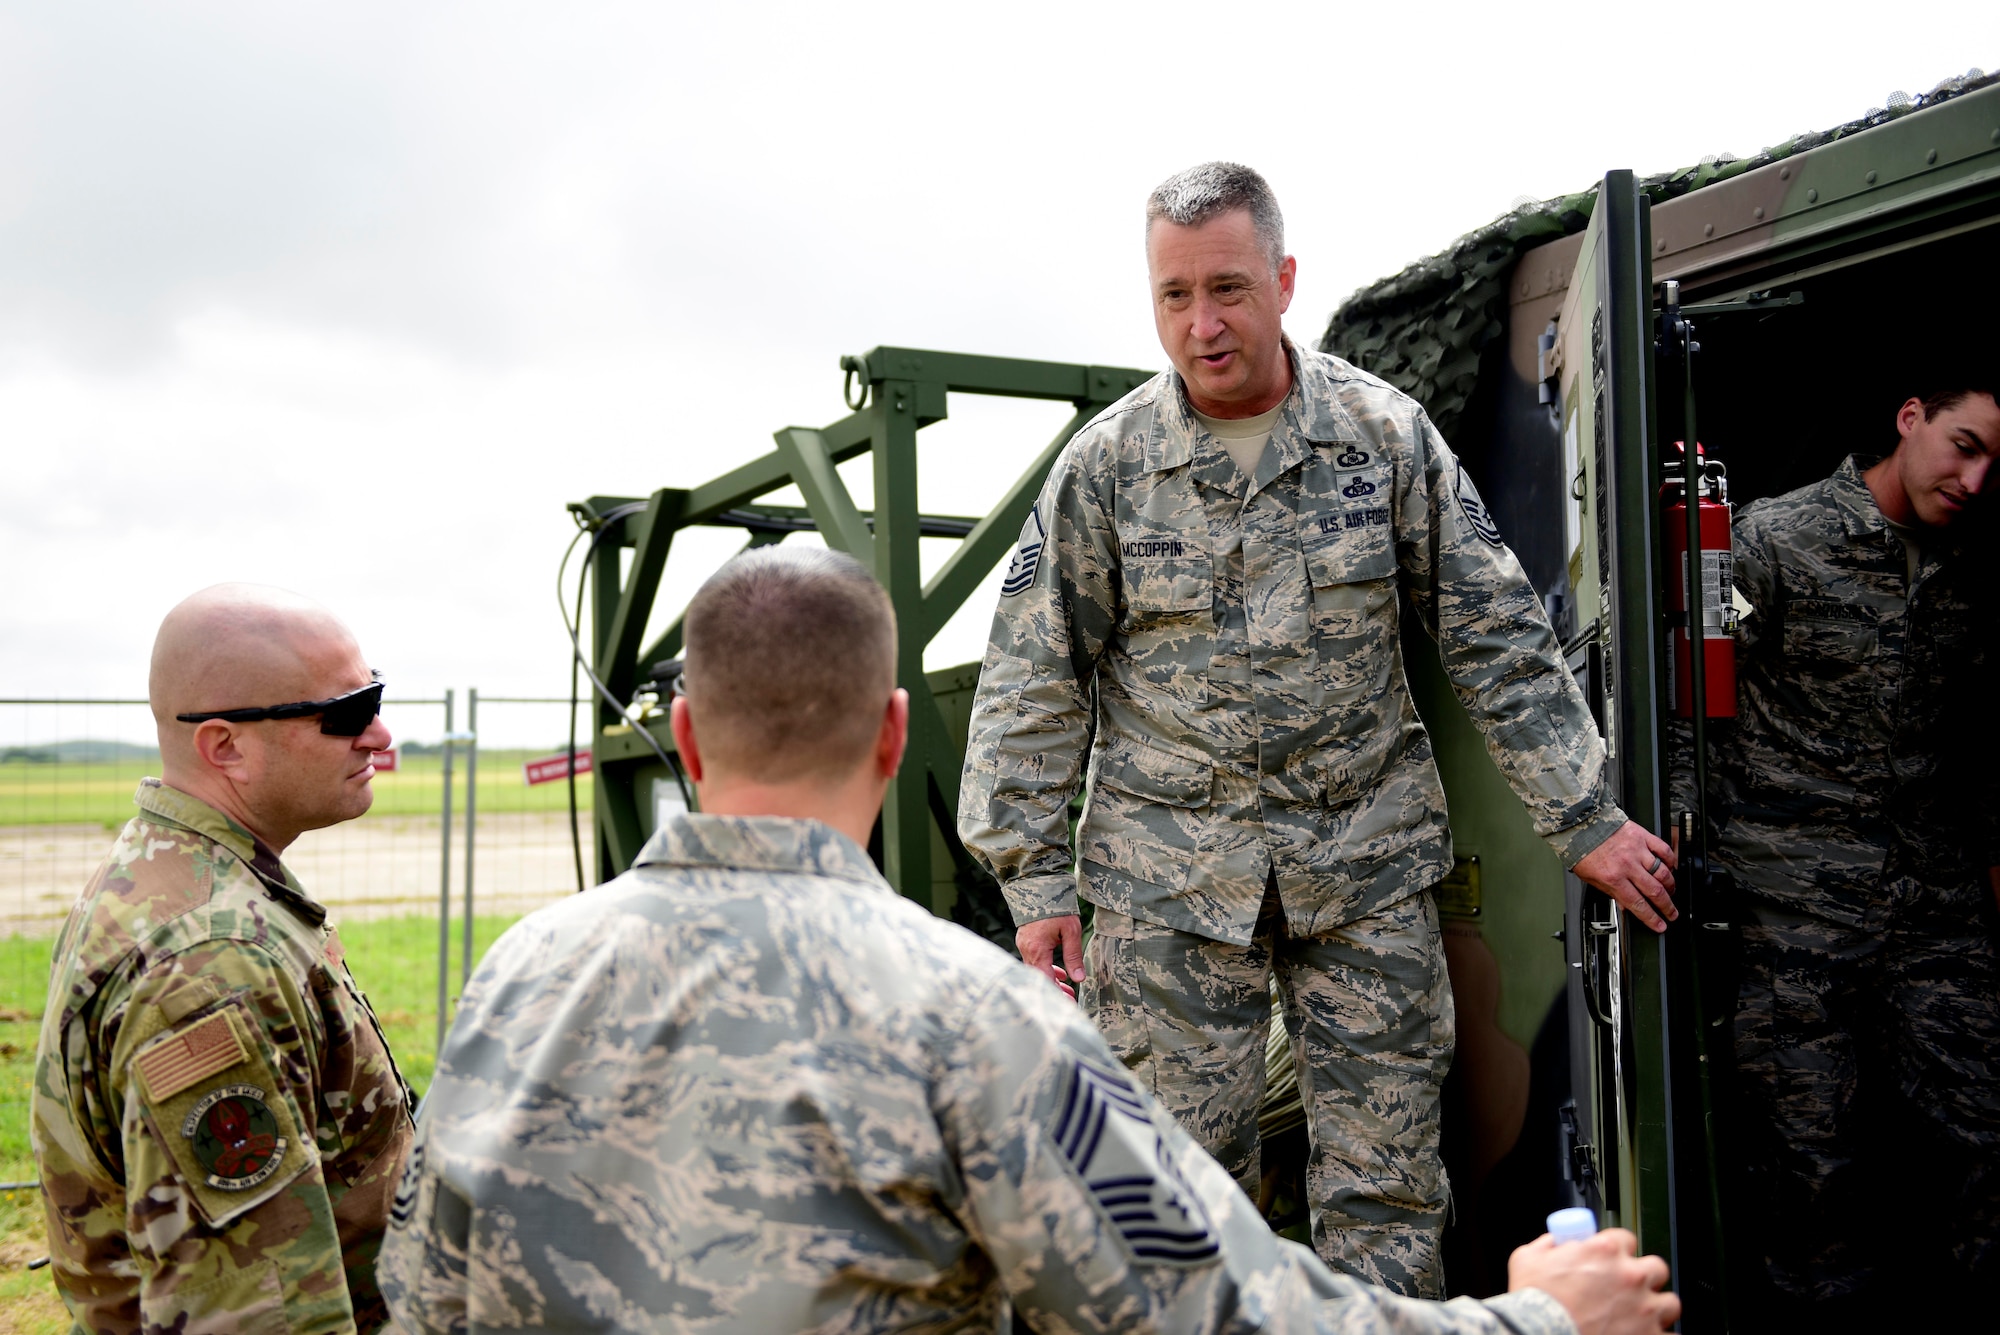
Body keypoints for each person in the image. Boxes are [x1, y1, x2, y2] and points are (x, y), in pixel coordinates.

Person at [378, 546, 1678, 1335]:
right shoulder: (972, 1013)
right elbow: (1212, 1310)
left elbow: (423, 1292)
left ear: (688, 734)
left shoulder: (516, 978)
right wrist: (1544, 1312)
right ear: (893, 734)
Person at [956, 161, 1676, 1297]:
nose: (1201, 326)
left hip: (1363, 875)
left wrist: (1579, 813)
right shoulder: (1104, 468)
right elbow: (1030, 680)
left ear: (1284, 280)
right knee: (1172, 1202)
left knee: (1388, 1193)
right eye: (1174, 296)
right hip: (1168, 895)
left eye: (1228, 289)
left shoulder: (1382, 439)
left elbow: (1494, 635)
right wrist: (1034, 884)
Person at [31, 583, 416, 1333]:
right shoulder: (213, 962)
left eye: (376, 696)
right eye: (346, 713)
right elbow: (256, 1310)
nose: (379, 734)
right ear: (225, 745)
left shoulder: (181, 877)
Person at [1689, 386, 2000, 1313]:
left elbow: (1976, 749)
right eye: (1963, 445)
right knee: (1811, 1180)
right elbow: (1682, 711)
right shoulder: (1773, 540)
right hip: (1792, 918)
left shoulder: (1973, 565)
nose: (1976, 478)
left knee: (1985, 1138)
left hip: (1931, 912)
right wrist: (1679, 853)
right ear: (1911, 420)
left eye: (1996, 463)